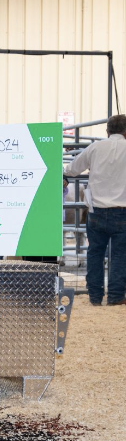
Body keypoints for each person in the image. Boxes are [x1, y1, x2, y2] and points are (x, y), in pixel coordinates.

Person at [64, 114, 126, 306]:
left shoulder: (95, 148)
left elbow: (71, 169)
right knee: (120, 255)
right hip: (122, 211)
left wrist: (65, 176)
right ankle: (115, 297)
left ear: (107, 131)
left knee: (95, 254)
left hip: (96, 211)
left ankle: (95, 297)